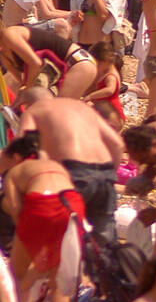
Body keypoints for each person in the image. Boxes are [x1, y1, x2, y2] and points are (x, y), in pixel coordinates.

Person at [1, 131, 84, 302]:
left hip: (41, 203)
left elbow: (16, 210)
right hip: (73, 204)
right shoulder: (57, 166)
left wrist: (25, 241)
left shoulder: (15, 172)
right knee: (61, 283)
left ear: (16, 157)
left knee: (14, 274)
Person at [17, 92, 123, 245]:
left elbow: (22, 145)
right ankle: (107, 259)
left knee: (62, 233)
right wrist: (109, 174)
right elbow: (117, 144)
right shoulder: (82, 108)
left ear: (26, 105)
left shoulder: (35, 110)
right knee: (104, 237)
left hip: (74, 171)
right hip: (104, 171)